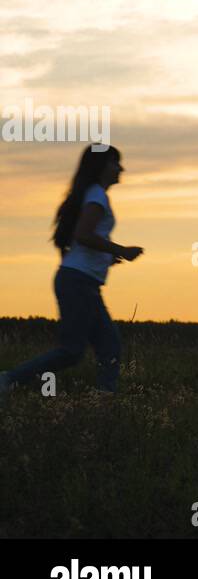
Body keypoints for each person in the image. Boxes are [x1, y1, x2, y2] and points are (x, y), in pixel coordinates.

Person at [0, 144, 144, 402]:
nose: (120, 168)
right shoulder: (97, 196)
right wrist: (120, 250)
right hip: (78, 282)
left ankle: (104, 409)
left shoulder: (92, 194)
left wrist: (107, 256)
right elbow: (84, 235)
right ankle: (9, 379)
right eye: (115, 162)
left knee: (109, 346)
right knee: (72, 351)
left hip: (81, 281)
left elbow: (83, 239)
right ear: (102, 167)